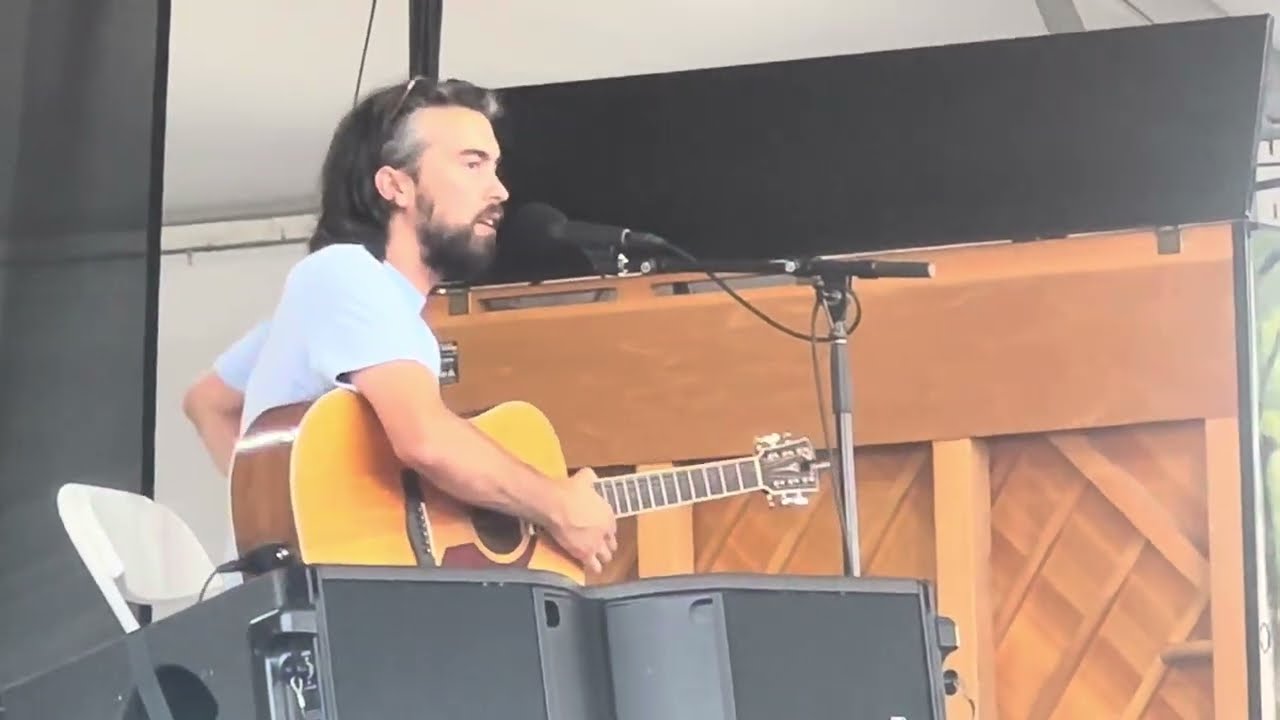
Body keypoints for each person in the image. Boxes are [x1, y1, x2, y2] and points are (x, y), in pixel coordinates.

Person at [181, 77, 617, 574]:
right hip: (320, 619)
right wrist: (558, 505)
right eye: (472, 164)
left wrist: (301, 505)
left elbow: (208, 401)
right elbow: (425, 440)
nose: (499, 190)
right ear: (395, 186)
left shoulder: (342, 303)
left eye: (494, 168)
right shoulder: (345, 274)